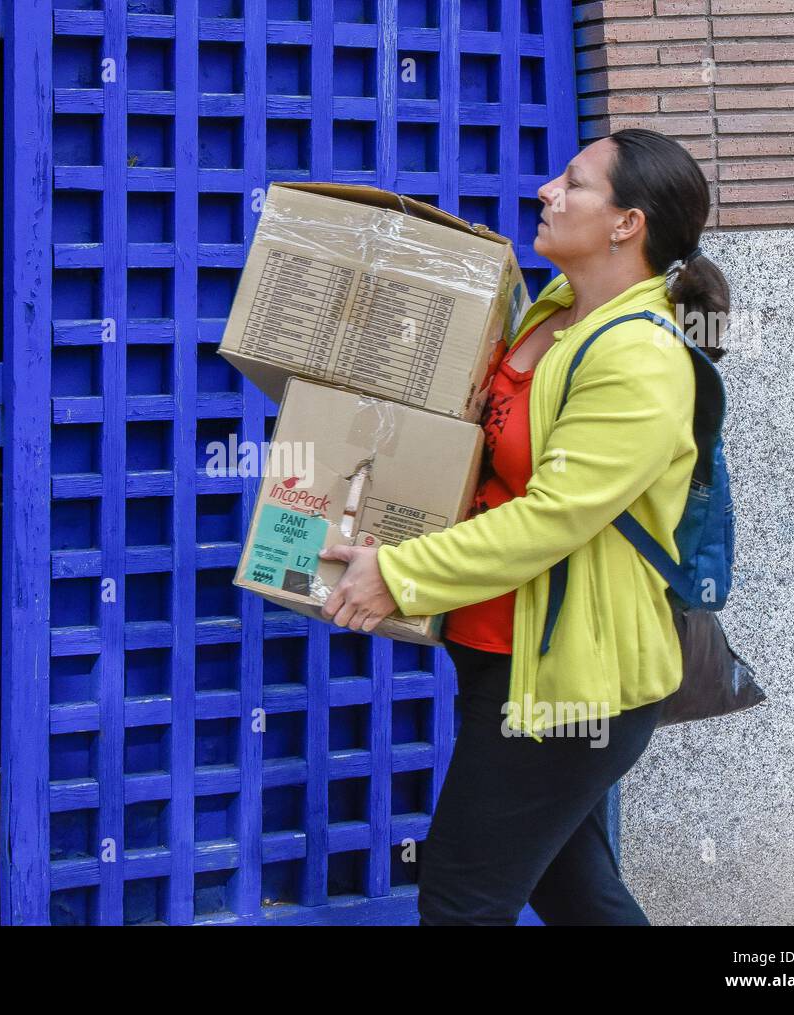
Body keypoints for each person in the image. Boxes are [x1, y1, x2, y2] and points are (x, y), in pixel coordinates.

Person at [317, 128, 731, 925]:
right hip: (500, 651)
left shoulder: (640, 358)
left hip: (572, 682)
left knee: (460, 899)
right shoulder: (552, 310)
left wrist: (399, 575)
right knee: (576, 894)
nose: (545, 189)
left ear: (627, 224)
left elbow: (553, 518)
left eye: (573, 183)